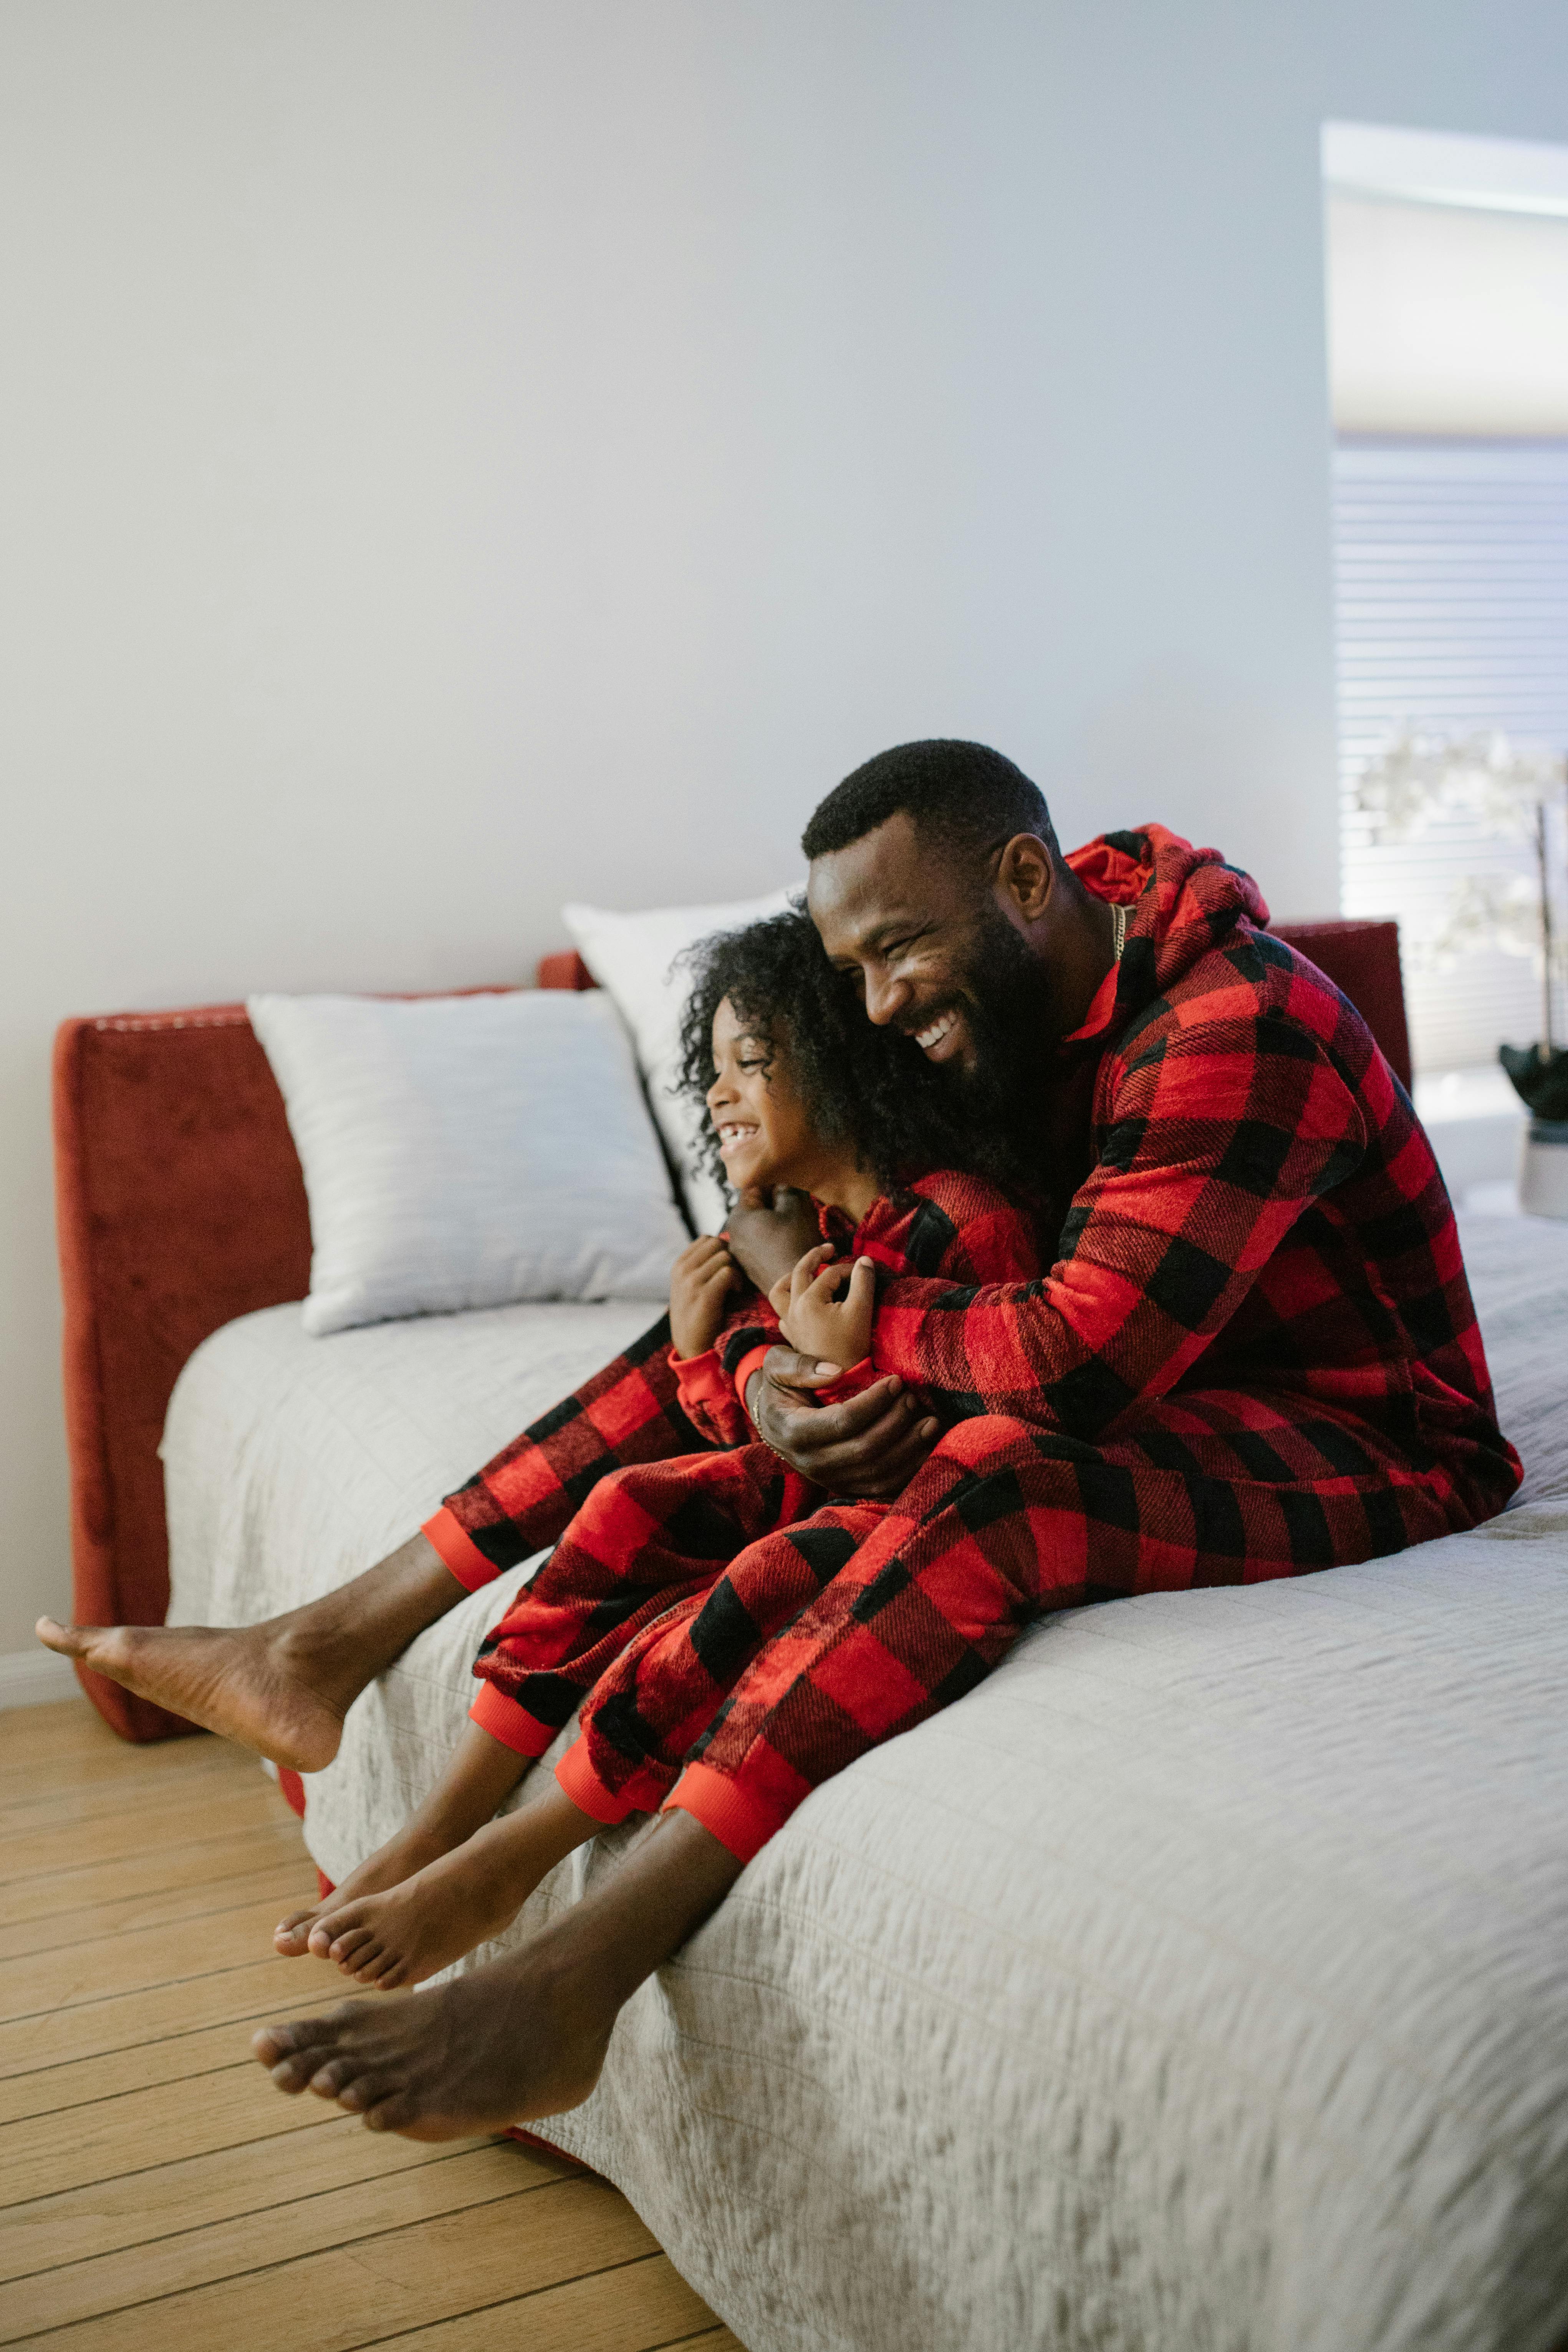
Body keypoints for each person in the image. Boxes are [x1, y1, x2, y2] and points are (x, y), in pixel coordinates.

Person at [38, 739, 1521, 2146]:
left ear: (1024, 878)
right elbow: (868, 1245)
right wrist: (767, 1374)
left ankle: (577, 1973)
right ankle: (328, 1644)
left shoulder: (1234, 1022)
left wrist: (836, 1333)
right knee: (703, 1340)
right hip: (1166, 1383)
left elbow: (1069, 1364)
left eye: (895, 952)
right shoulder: (1017, 986)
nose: (874, 1008)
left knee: (998, 1481)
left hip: (1366, 1435)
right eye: (849, 969)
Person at [270, 908, 1041, 1991]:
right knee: (625, 1506)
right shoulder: (807, 1232)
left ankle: (512, 1857)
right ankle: (435, 1828)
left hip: (907, 1527)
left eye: (750, 1062)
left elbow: (935, 1445)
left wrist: (824, 1357)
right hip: (806, 1494)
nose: (716, 1095)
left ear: (845, 1058)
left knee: (730, 1603)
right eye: (709, 1069)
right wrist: (694, 1353)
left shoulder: (960, 1220)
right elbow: (754, 1432)